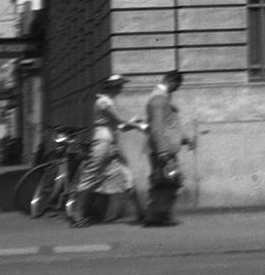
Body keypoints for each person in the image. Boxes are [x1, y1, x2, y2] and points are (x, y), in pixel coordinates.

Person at [71, 74, 143, 226]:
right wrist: (137, 125)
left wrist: (133, 124)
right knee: (90, 176)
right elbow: (119, 121)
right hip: (103, 141)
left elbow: (120, 126)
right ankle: (77, 214)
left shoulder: (108, 101)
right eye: (119, 85)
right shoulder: (103, 101)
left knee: (127, 176)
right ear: (112, 86)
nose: (121, 87)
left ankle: (141, 213)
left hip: (111, 143)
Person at [141, 70, 191, 227]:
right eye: (177, 85)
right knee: (169, 181)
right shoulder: (158, 99)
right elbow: (158, 126)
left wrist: (184, 139)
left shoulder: (160, 98)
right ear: (171, 81)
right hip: (163, 149)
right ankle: (156, 216)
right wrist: (162, 151)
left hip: (164, 148)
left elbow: (168, 125)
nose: (176, 89)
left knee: (165, 181)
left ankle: (157, 216)